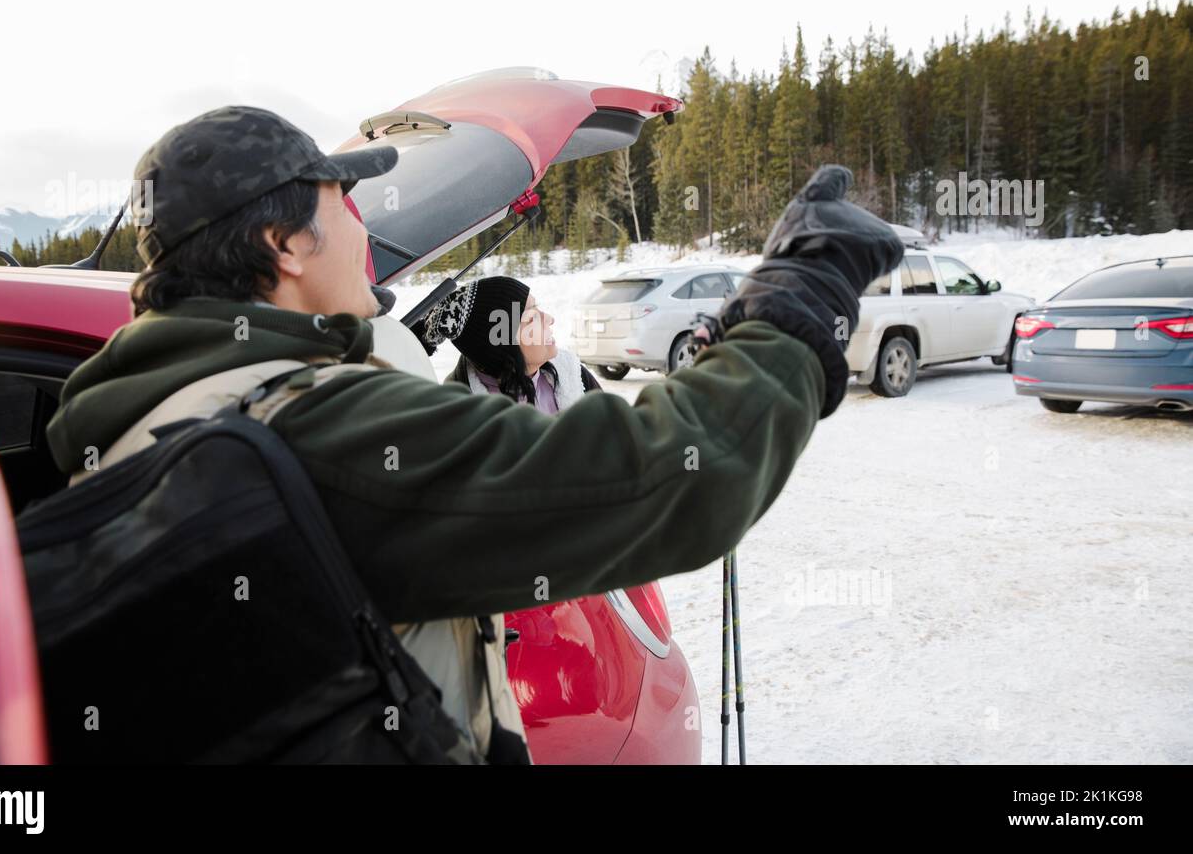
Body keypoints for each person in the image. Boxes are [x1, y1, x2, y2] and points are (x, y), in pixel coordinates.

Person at [45, 105, 902, 763]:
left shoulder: (136, 424)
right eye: (339, 195)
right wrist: (800, 294)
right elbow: (664, 478)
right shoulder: (314, 429)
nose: (360, 219)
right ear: (285, 244)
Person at [420, 275, 599, 410]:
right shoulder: (460, 411)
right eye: (531, 317)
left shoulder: (574, 376)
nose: (549, 319)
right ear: (501, 346)